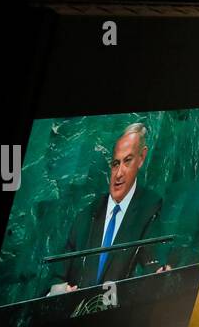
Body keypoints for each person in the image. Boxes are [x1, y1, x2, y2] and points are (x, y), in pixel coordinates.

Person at [47, 124, 167, 293]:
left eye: (127, 161)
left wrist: (159, 273)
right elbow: (56, 277)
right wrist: (60, 290)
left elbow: (152, 262)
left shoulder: (150, 206)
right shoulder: (85, 216)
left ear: (141, 157)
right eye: (115, 164)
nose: (118, 173)